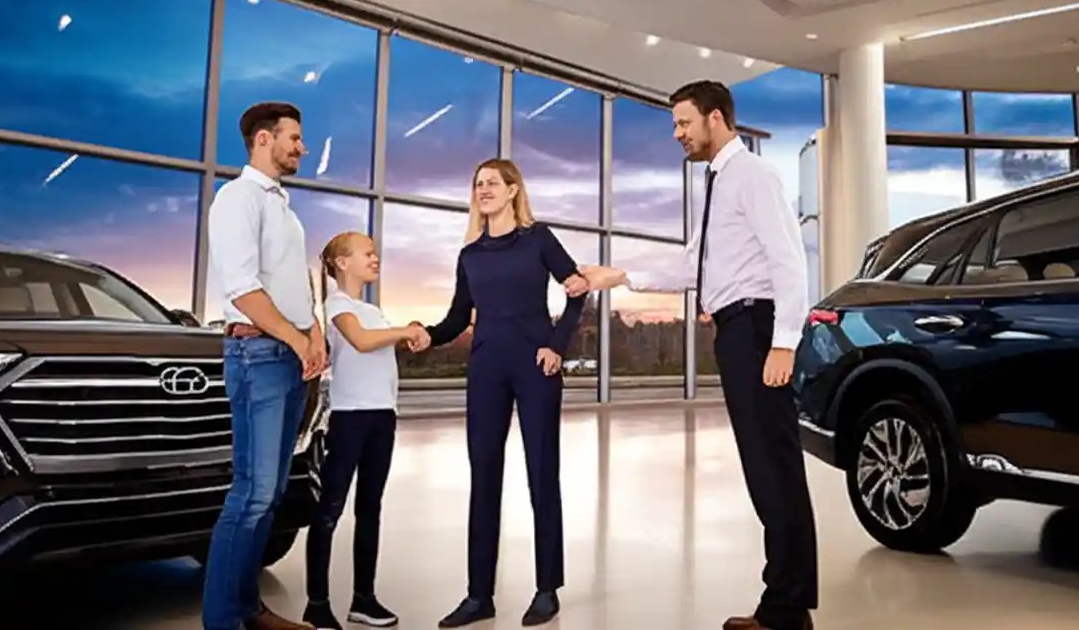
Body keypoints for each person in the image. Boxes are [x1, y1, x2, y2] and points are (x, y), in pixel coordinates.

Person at [579, 80, 818, 630]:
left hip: (757, 329)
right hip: (736, 331)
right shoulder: (720, 182)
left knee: (774, 469)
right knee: (765, 469)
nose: (678, 134)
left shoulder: (752, 175)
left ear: (716, 118)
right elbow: (697, 268)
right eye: (674, 126)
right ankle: (784, 604)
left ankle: (785, 610)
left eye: (684, 123)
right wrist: (619, 275)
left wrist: (784, 341)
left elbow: (788, 261)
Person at [414, 159, 588, 628]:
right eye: (477, 184)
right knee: (483, 478)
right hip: (487, 368)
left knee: (541, 475)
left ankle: (547, 587)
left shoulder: (539, 240)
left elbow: (577, 289)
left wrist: (557, 345)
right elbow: (456, 318)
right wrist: (427, 334)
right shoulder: (470, 254)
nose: (483, 189)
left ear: (513, 191)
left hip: (535, 366)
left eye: (492, 182)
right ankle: (478, 596)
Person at [204, 101, 328, 630]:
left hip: (289, 355)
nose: (302, 147)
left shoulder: (283, 208)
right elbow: (244, 290)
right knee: (250, 493)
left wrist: (315, 333)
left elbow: (298, 283)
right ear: (263, 139)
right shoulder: (236, 199)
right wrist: (296, 341)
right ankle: (223, 620)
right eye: (294, 138)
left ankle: (248, 608)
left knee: (271, 492)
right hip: (258, 356)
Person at [302, 231, 428, 630]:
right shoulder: (338, 304)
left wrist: (412, 334)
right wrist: (406, 330)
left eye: (375, 253)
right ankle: (317, 606)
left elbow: (379, 339)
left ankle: (364, 599)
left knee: (370, 509)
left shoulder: (373, 310)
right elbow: (359, 341)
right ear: (343, 263)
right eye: (367, 253)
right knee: (329, 511)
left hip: (382, 417)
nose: (376, 259)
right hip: (350, 418)